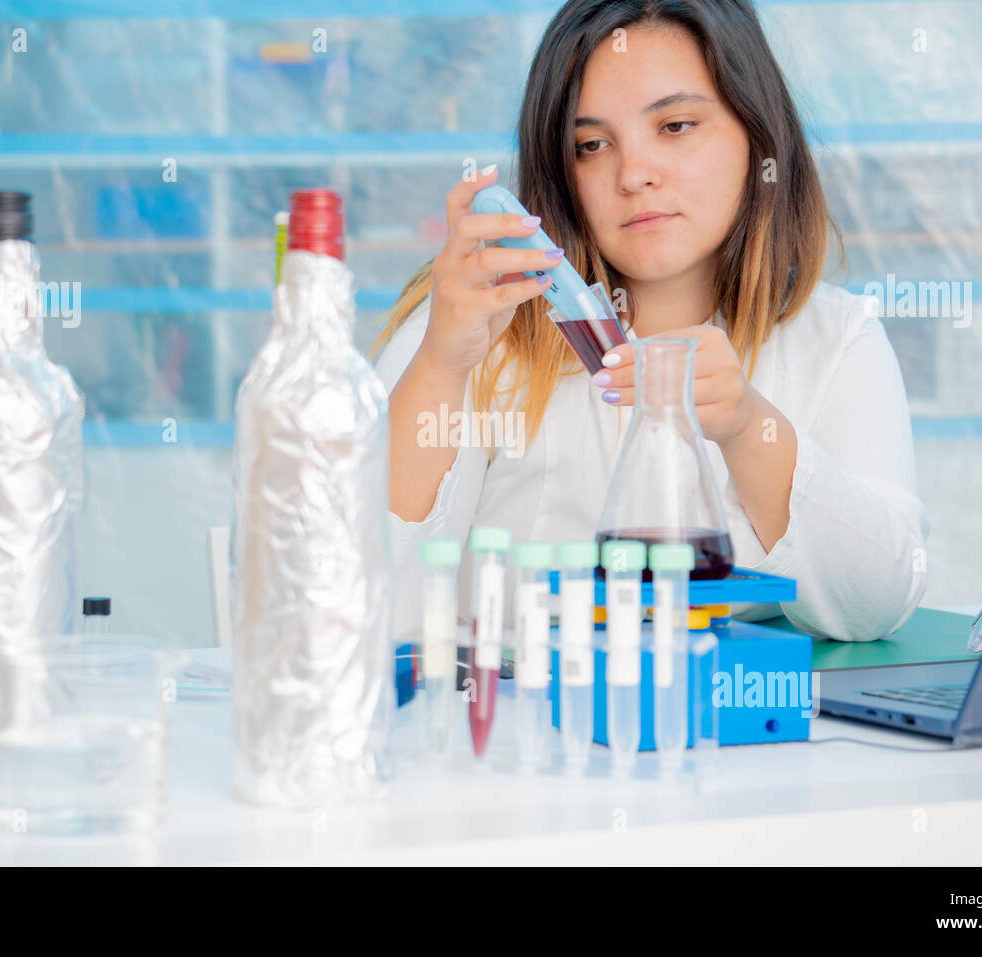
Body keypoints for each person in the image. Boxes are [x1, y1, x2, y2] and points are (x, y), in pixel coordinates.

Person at [372, 0, 929, 641]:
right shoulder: (475, 324)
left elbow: (880, 602)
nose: (634, 174)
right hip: (511, 730)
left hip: (737, 738)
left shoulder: (833, 339)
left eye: (675, 126)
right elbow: (362, 601)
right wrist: (442, 365)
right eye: (592, 145)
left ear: (758, 135)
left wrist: (748, 427)